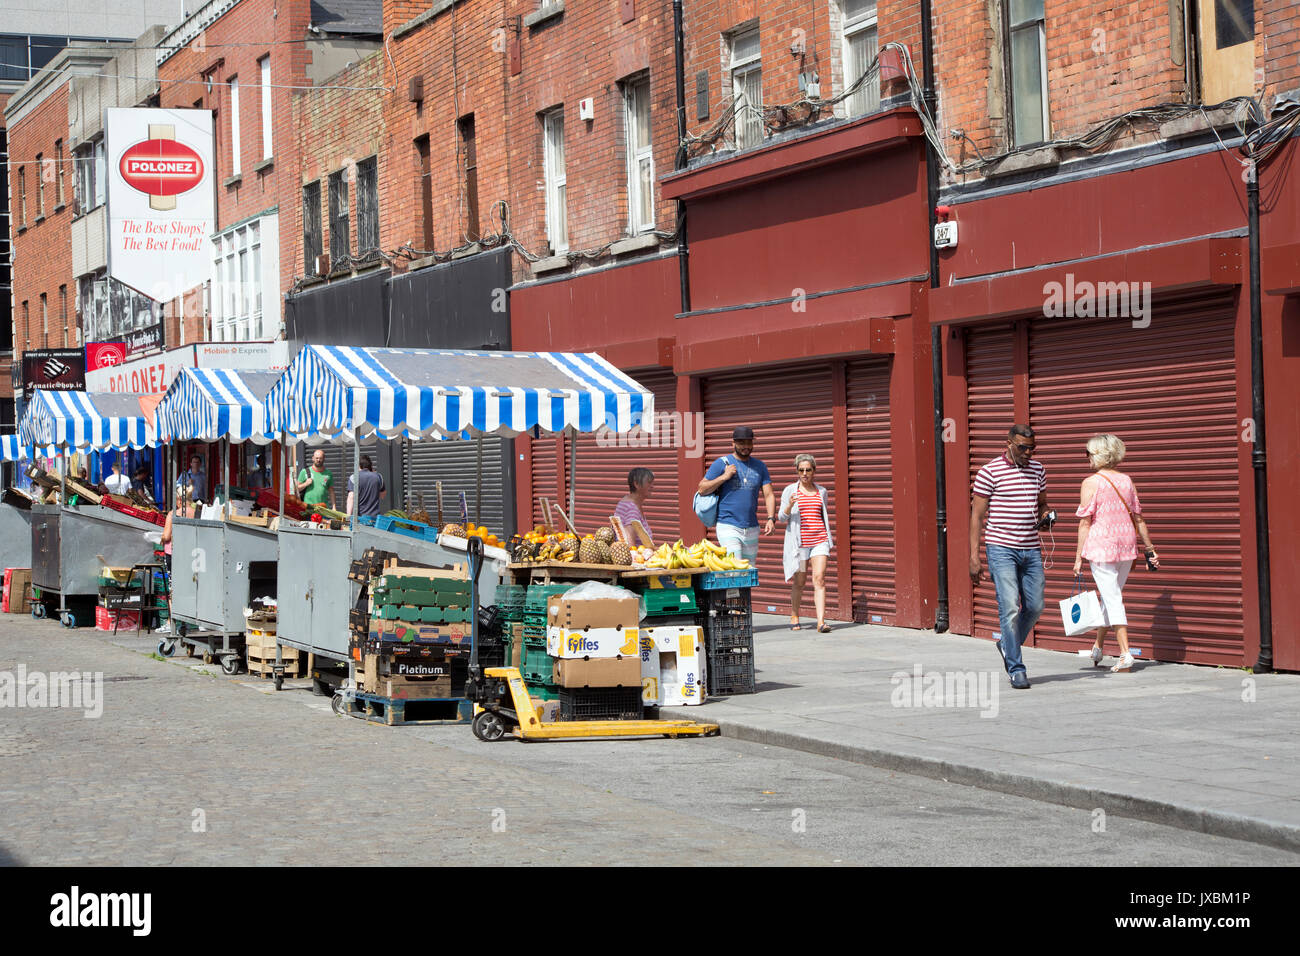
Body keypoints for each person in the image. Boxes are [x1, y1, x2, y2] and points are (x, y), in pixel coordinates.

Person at [970, 424, 1051, 690]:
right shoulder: (989, 472)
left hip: (1031, 548)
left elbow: (1042, 503)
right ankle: (1016, 668)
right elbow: (977, 517)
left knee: (1036, 606)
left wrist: (1046, 516)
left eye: (1032, 448)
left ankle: (1006, 644)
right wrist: (974, 556)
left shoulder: (1038, 470)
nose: (1027, 453)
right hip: (1000, 548)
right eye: (1022, 447)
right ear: (1008, 443)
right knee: (1010, 608)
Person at [1073, 433, 1159, 673]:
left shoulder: (1090, 482)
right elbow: (1138, 518)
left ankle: (1125, 654)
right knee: (1111, 595)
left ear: (1099, 454)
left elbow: (1085, 523)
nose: (1087, 458)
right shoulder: (1127, 480)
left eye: (1088, 453)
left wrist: (1078, 557)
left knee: (1112, 598)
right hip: (1126, 546)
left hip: (1102, 547)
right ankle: (1098, 646)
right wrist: (1149, 549)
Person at [697, 426, 775, 566]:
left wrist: (771, 518)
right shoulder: (721, 463)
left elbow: (768, 494)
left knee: (748, 570)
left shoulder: (760, 466)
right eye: (741, 443)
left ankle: (743, 590)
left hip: (751, 527)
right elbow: (702, 488)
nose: (746, 446)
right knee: (736, 566)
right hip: (728, 525)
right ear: (733, 443)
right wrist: (724, 477)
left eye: (749, 442)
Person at [778, 454, 833, 632]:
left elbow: (821, 515)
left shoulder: (822, 491)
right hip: (800, 545)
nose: (804, 473)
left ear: (814, 471)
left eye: (808, 470)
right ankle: (794, 615)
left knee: (819, 579)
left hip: (819, 541)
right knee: (800, 581)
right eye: (801, 470)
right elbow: (781, 518)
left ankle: (820, 622)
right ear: (796, 471)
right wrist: (789, 506)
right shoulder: (790, 491)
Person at [614, 468, 655, 543]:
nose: (652, 486)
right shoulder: (632, 508)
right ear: (636, 484)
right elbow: (630, 546)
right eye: (649, 483)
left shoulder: (626, 502)